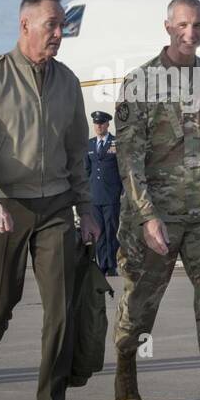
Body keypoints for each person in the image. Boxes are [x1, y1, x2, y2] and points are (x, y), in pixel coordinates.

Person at [0, 0, 100, 400]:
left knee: (61, 309)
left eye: (61, 26)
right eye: (51, 25)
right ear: (25, 25)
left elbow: (77, 152)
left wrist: (86, 207)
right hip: (6, 206)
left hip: (56, 205)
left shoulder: (68, 82)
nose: (59, 34)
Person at [112, 0, 200, 400]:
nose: (191, 33)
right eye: (183, 25)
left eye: (198, 25)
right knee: (140, 301)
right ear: (168, 27)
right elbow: (128, 159)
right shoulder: (140, 83)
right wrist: (147, 215)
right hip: (154, 217)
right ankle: (126, 368)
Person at [85, 110, 122, 276]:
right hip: (95, 195)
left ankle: (112, 264)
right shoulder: (90, 144)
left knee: (111, 231)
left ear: (107, 124)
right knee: (99, 232)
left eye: (101, 123)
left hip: (112, 195)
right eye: (96, 124)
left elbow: (122, 169)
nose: (98, 126)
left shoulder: (116, 143)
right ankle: (102, 264)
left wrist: (122, 192)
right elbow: (86, 170)